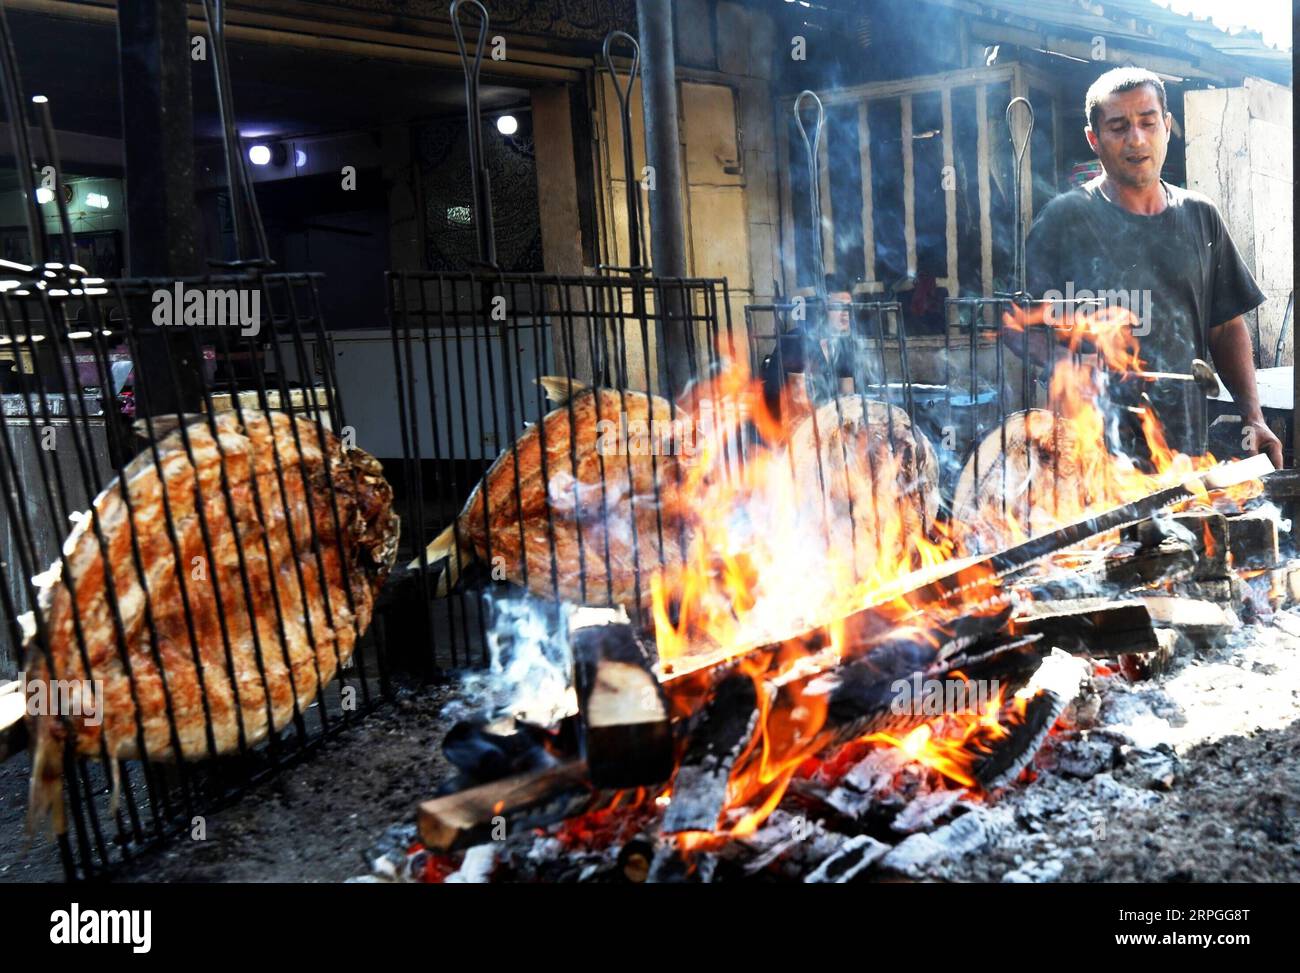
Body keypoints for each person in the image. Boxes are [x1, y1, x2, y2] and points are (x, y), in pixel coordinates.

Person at [1024, 66, 1281, 468]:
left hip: (1185, 456)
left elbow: (1226, 327)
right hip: (1090, 457)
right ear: (1094, 139)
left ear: (1167, 126)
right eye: (1118, 126)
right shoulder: (1062, 220)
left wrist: (1254, 418)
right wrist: (1063, 366)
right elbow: (1021, 327)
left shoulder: (1200, 216)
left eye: (1147, 122)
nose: (1136, 139)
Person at [761, 274, 859, 418]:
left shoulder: (844, 346)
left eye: (849, 307)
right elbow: (797, 402)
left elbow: (847, 397)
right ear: (822, 308)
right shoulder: (798, 340)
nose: (845, 314)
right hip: (785, 422)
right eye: (838, 307)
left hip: (822, 419)